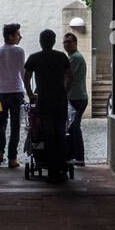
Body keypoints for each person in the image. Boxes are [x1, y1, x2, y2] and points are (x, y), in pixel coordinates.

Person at [23, 29, 72, 183]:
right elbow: (71, 76)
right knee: (61, 135)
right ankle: (61, 168)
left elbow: (26, 76)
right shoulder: (61, 57)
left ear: (40, 41)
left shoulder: (35, 58)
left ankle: (52, 170)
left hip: (44, 101)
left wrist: (30, 93)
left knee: (49, 136)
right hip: (60, 100)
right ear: (53, 41)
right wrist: (65, 90)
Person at [0, 22, 26, 167]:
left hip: (1, 93)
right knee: (15, 125)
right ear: (11, 36)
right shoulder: (19, 52)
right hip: (16, 92)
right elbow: (22, 73)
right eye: (18, 34)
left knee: (0, 125)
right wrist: (28, 90)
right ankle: (12, 157)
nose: (20, 36)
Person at [63, 31, 89, 165]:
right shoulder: (72, 57)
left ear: (75, 43)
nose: (66, 45)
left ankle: (79, 156)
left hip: (77, 97)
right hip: (75, 96)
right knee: (72, 127)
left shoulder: (75, 58)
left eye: (69, 42)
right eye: (65, 42)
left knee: (74, 127)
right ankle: (73, 155)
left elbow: (67, 76)